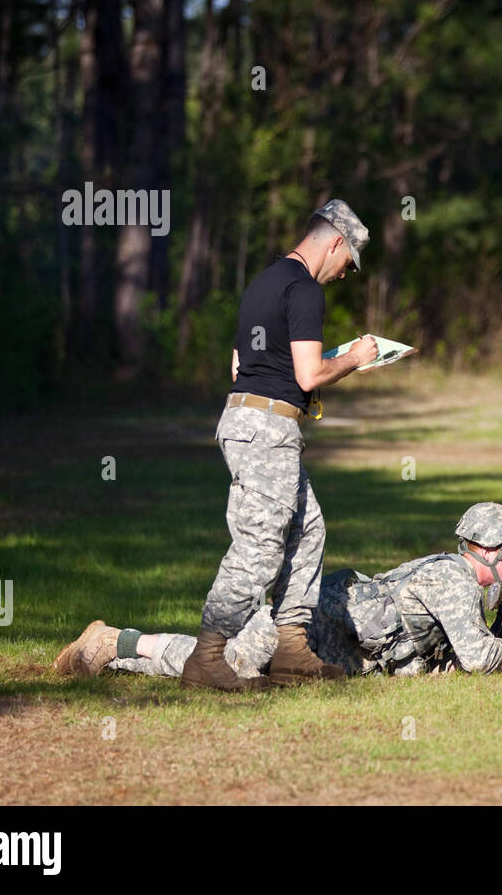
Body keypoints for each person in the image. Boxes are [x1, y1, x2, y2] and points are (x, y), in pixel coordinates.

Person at [181, 199, 380, 692]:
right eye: (347, 263)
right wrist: (355, 358)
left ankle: (291, 647)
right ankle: (207, 656)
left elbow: (239, 362)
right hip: (266, 430)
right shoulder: (305, 290)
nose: (344, 275)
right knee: (260, 545)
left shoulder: (266, 281)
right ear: (335, 243)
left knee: (308, 528)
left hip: (251, 420)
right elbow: (309, 372)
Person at [54, 503, 502, 682]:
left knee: (244, 680)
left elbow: (433, 663)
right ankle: (117, 640)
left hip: (340, 644)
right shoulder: (455, 578)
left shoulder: (456, 579)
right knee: (229, 667)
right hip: (311, 622)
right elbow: (477, 660)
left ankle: (112, 655)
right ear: (488, 549)